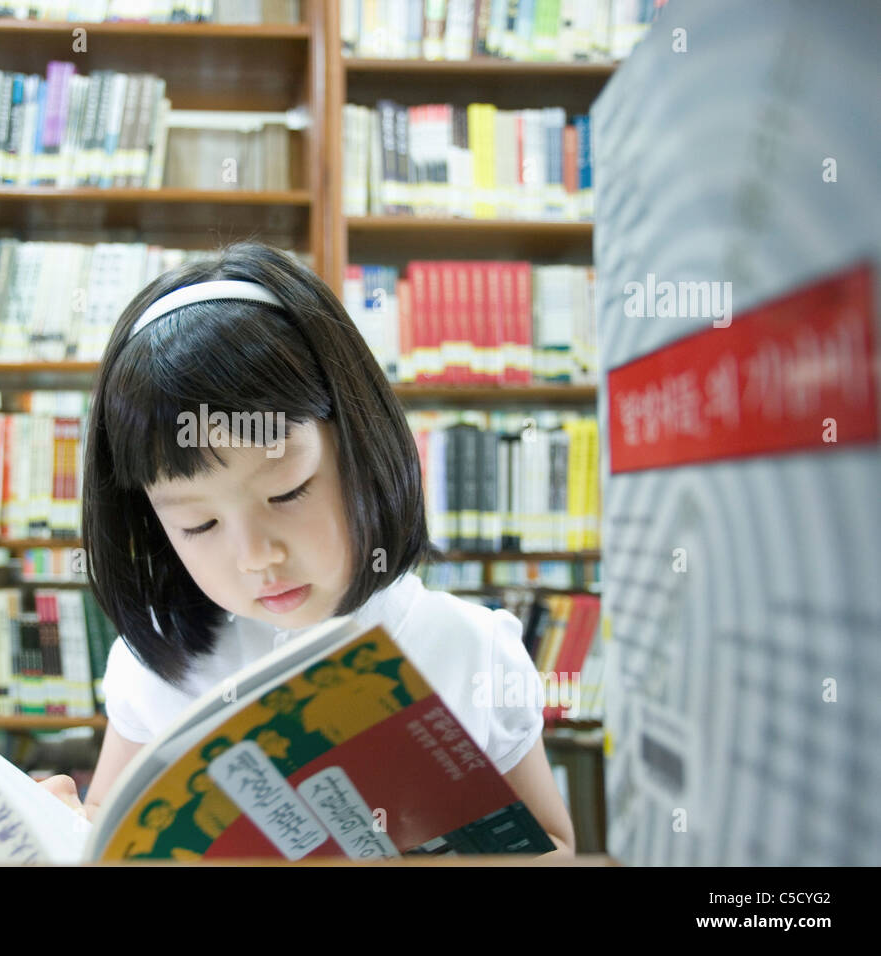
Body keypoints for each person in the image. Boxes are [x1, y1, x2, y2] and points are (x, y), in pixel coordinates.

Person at [34, 242, 575, 858]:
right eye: (200, 525)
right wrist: (63, 832)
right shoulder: (159, 664)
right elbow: (110, 818)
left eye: (288, 492)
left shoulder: (469, 648)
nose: (256, 556)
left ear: (359, 446)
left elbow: (552, 844)